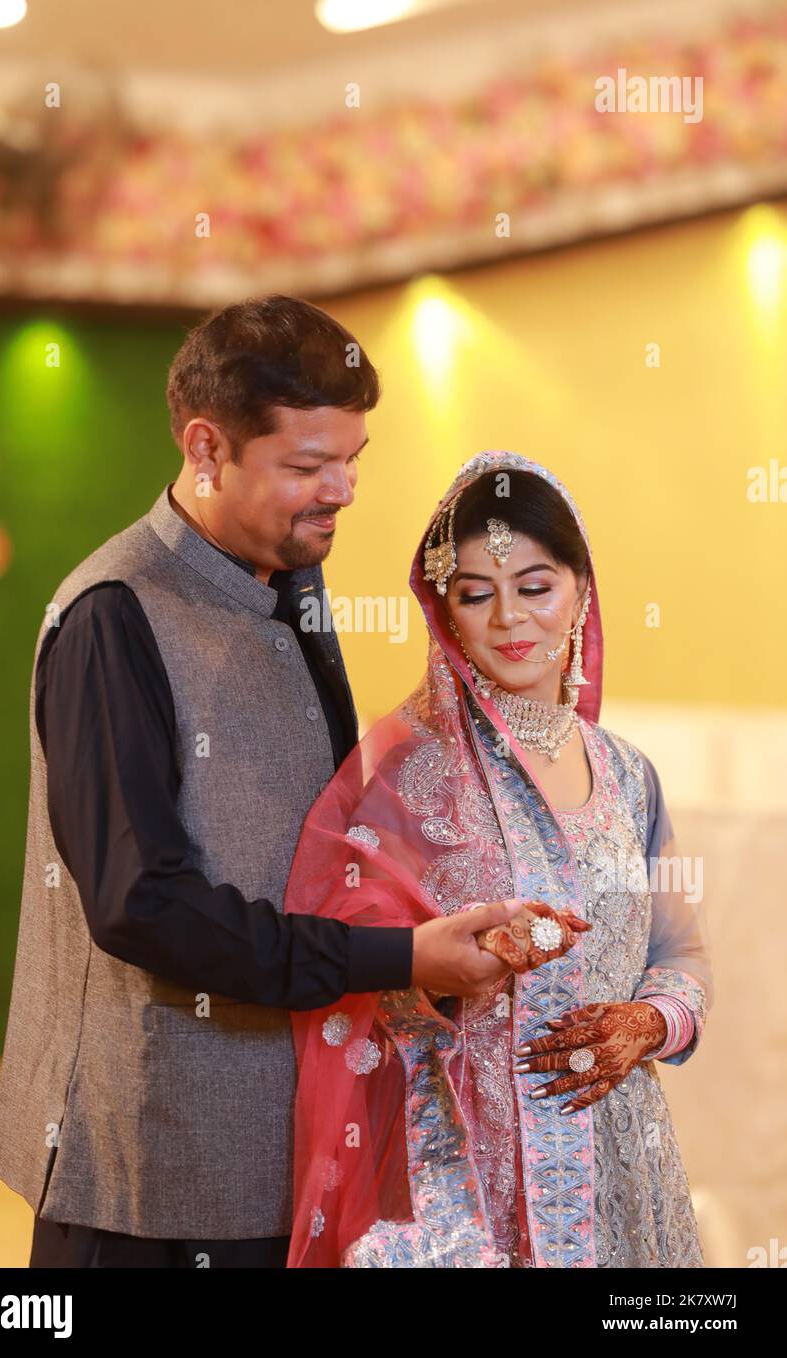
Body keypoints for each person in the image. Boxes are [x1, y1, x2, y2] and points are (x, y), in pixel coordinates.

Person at [0, 297, 511, 1270]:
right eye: (307, 466)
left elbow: (310, 835)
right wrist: (395, 958)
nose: (342, 489)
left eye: (352, 457)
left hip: (289, 1143)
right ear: (205, 448)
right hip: (148, 1168)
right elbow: (143, 905)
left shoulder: (292, 586)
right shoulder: (114, 614)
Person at [284, 449, 713, 1268]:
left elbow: (679, 953)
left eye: (536, 587)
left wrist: (647, 1023)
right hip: (470, 1165)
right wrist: (445, 973)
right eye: (477, 595)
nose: (511, 620)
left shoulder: (627, 775)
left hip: (619, 1155)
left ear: (581, 590)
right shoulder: (405, 774)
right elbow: (340, 962)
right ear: (447, 612)